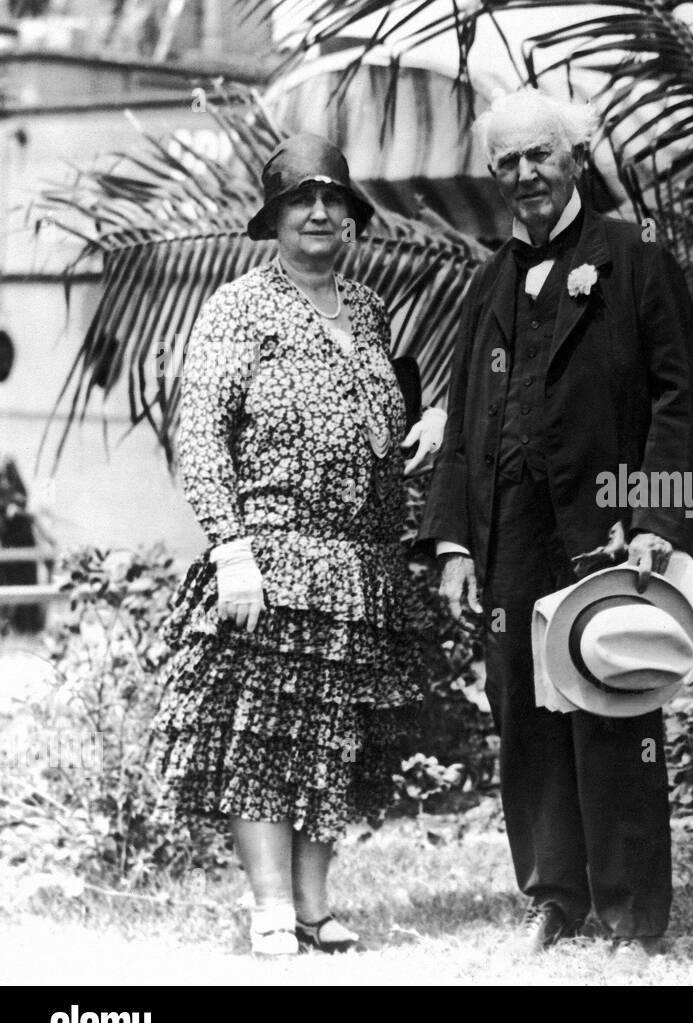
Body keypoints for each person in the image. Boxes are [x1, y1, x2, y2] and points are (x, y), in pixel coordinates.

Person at [412, 88, 693, 957]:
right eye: (506, 161)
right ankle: (554, 893)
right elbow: (465, 420)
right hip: (508, 534)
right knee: (524, 711)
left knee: (611, 696)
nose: (523, 174)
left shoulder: (632, 257)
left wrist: (658, 515)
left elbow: (682, 401)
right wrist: (457, 540)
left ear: (577, 156)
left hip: (606, 525)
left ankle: (629, 912)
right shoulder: (488, 279)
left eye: (539, 154)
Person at [151, 134, 428, 957]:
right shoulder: (238, 306)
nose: (317, 213)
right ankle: (270, 905)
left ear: (350, 217)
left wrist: (427, 426)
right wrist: (230, 548)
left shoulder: (369, 307)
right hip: (273, 559)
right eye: (299, 201)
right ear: (273, 219)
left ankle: (313, 905)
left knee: (331, 737)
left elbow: (383, 417)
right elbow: (199, 429)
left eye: (332, 200)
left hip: (359, 565)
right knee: (266, 733)